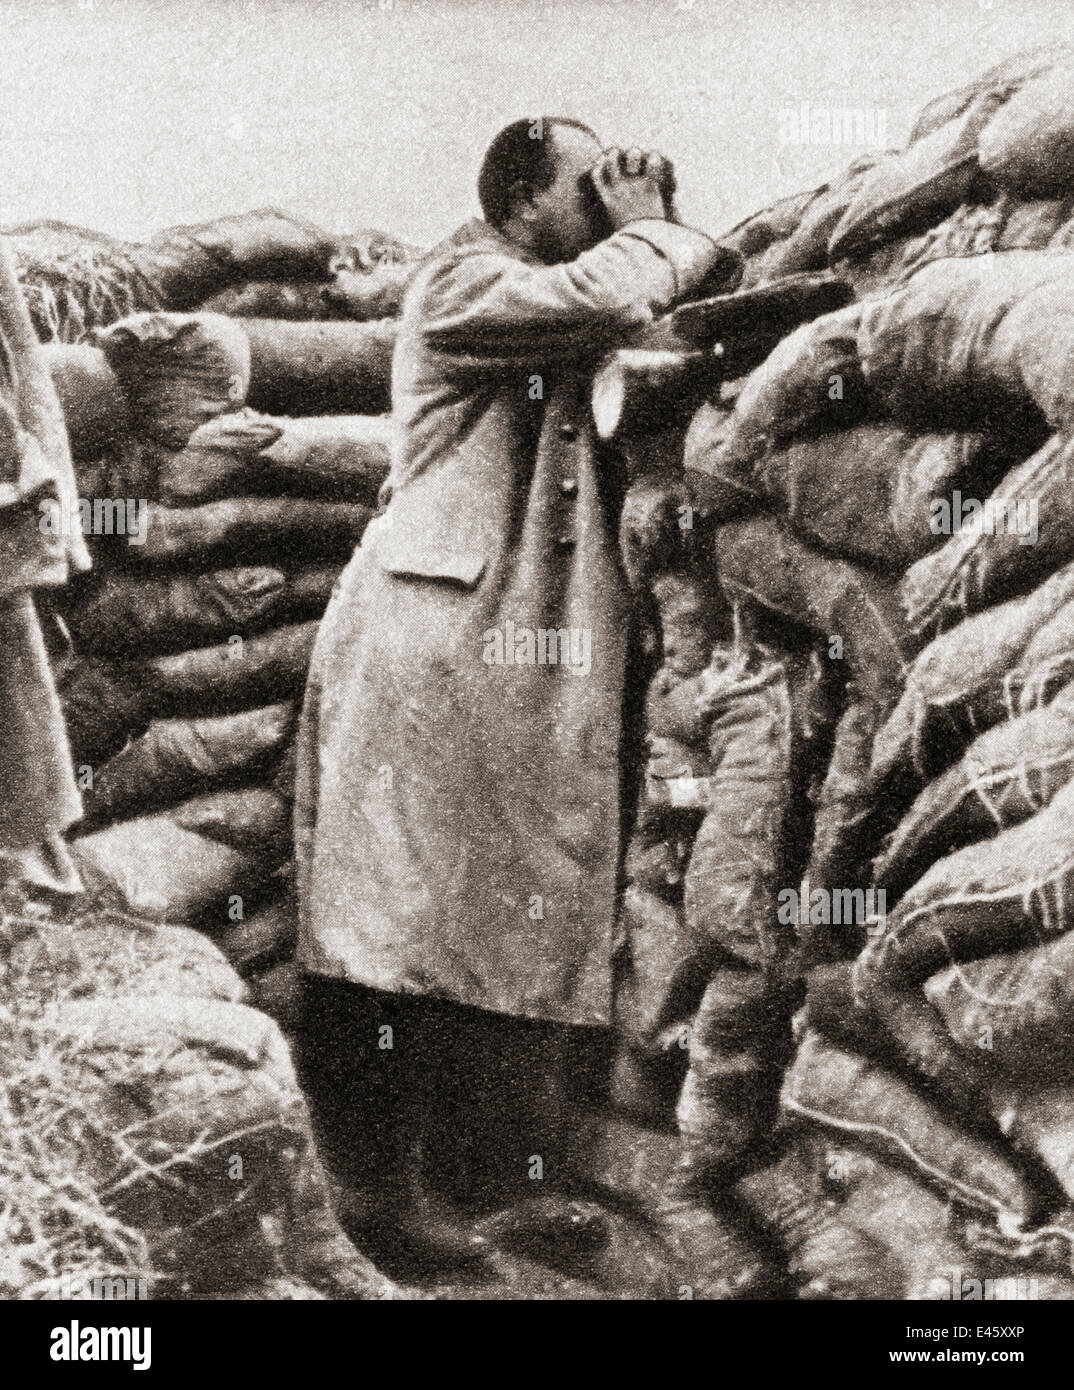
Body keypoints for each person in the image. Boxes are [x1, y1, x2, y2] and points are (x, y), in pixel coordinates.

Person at [294, 117, 727, 1272]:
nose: (612, 197)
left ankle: (494, 1177)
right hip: (429, 635)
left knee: (516, 900)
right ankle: (376, 1188)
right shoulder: (464, 280)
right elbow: (596, 297)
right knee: (392, 912)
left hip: (528, 653)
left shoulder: (582, 285)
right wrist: (654, 231)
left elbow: (662, 310)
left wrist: (663, 242)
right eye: (590, 183)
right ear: (525, 199)